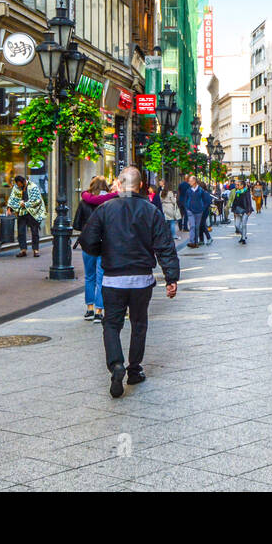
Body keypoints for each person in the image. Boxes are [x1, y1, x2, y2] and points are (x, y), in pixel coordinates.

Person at [78, 166, 180, 398]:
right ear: (141, 185)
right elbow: (165, 245)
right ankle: (134, 369)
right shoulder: (151, 210)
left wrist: (103, 250)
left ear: (120, 185)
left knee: (111, 324)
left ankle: (116, 365)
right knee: (139, 323)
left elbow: (88, 240)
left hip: (113, 278)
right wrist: (171, 277)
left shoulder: (105, 209)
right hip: (141, 280)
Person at [73, 177, 119, 323]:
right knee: (101, 277)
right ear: (106, 186)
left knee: (89, 276)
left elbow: (77, 224)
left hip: (88, 243)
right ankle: (100, 311)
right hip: (105, 243)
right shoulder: (111, 202)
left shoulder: (84, 201)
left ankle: (90, 309)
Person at [7, 174, 46, 257]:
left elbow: (37, 200)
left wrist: (25, 204)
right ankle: (23, 250)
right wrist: (9, 208)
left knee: (34, 231)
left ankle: (36, 250)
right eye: (17, 184)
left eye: (19, 184)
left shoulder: (33, 187)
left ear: (23, 182)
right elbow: (12, 197)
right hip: (22, 213)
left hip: (32, 213)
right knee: (21, 232)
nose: (18, 186)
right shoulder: (16, 188)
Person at [183, 175, 212, 248]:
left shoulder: (201, 190)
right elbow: (185, 200)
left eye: (190, 181)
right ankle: (192, 241)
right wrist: (187, 208)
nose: (189, 182)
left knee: (197, 227)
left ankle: (196, 242)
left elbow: (206, 201)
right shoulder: (188, 190)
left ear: (194, 181)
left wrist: (202, 208)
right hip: (190, 211)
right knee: (192, 226)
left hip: (199, 211)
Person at [230, 179, 254, 245]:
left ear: (242, 185)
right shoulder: (237, 192)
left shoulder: (246, 192)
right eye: (236, 185)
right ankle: (243, 234)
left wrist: (249, 210)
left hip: (245, 211)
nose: (236, 186)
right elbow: (234, 202)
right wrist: (233, 210)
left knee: (243, 224)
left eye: (238, 185)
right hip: (238, 211)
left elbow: (249, 201)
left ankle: (243, 238)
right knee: (237, 225)